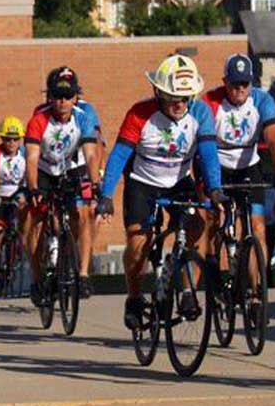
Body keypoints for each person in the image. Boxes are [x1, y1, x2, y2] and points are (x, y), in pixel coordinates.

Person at [94, 54, 225, 329]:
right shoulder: (140, 114)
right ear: (158, 92)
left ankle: (188, 291)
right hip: (143, 182)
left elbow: (209, 153)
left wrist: (214, 189)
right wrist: (106, 197)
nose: (179, 103)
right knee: (138, 242)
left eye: (185, 97)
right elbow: (118, 156)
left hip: (179, 181)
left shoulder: (201, 113)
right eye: (172, 97)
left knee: (198, 227)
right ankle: (134, 297)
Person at [202, 53, 275, 292]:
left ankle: (256, 291)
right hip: (216, 165)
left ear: (252, 83)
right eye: (234, 84)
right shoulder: (210, 101)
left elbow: (274, 138)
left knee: (258, 228)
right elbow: (204, 143)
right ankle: (212, 264)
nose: (239, 89)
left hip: (249, 165)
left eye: (245, 84)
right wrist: (209, 182)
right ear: (225, 81)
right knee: (215, 221)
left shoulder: (263, 100)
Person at [25, 67, 101, 305]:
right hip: (45, 170)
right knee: (35, 224)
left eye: (68, 97)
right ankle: (38, 279)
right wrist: (34, 188)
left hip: (72, 168)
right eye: (57, 96)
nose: (62, 102)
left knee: (83, 214)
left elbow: (90, 155)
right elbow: (31, 158)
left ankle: (83, 274)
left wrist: (96, 184)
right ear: (50, 97)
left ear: (76, 97)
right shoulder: (39, 119)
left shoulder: (84, 117)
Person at [0, 116, 27, 291]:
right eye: (7, 139)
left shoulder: (25, 153)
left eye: (15, 139)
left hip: (18, 196)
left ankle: (16, 257)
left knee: (24, 229)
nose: (11, 143)